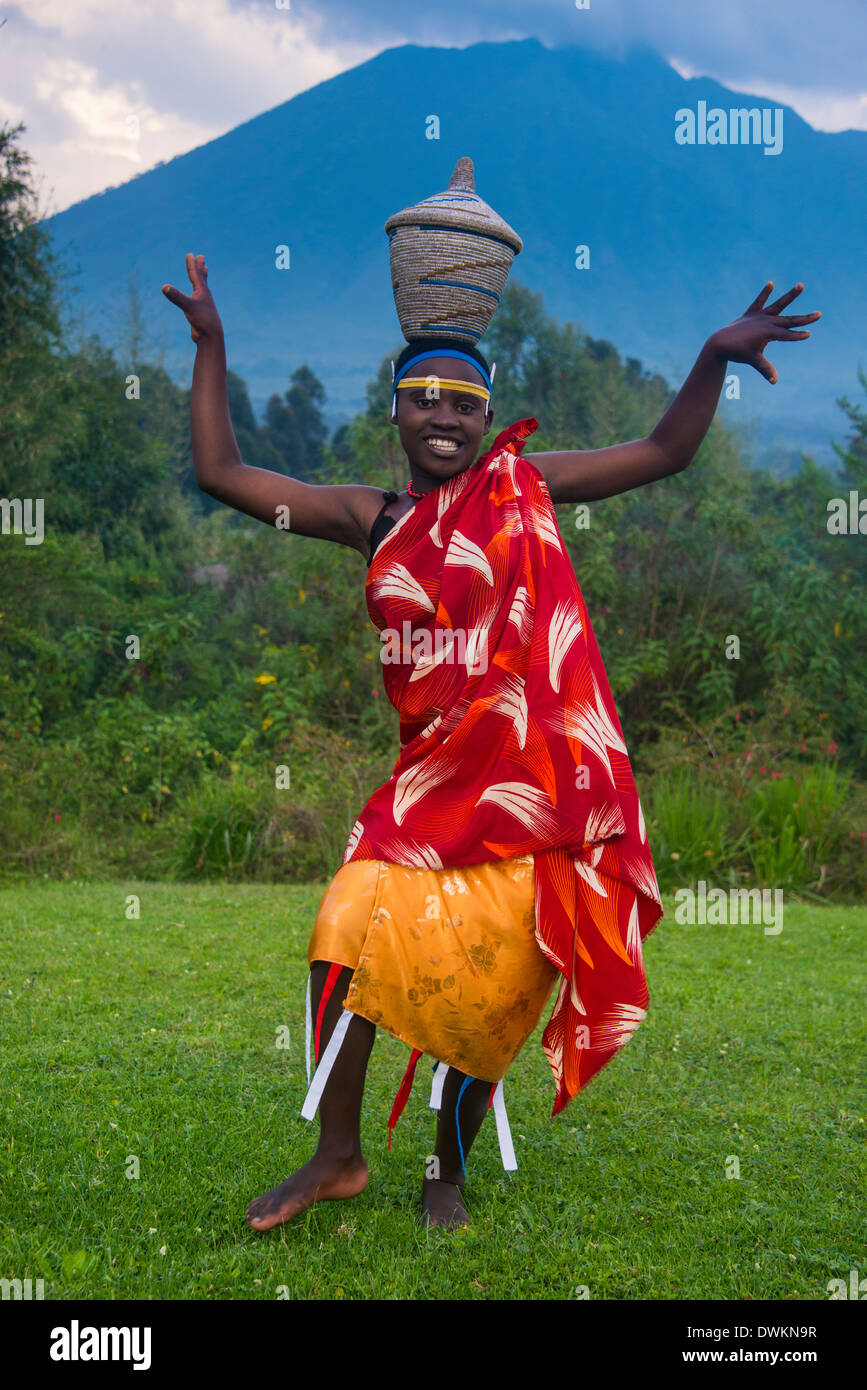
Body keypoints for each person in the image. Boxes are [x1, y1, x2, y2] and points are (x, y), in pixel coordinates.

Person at [162, 253, 819, 1229]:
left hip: (535, 795)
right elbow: (221, 473)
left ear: (485, 418)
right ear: (396, 413)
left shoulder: (529, 488)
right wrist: (213, 345)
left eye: (462, 402)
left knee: (502, 969)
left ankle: (447, 1172)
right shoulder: (369, 518)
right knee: (343, 926)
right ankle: (336, 1156)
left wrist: (715, 357)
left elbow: (663, 451)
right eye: (421, 397)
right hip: (424, 795)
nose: (442, 414)